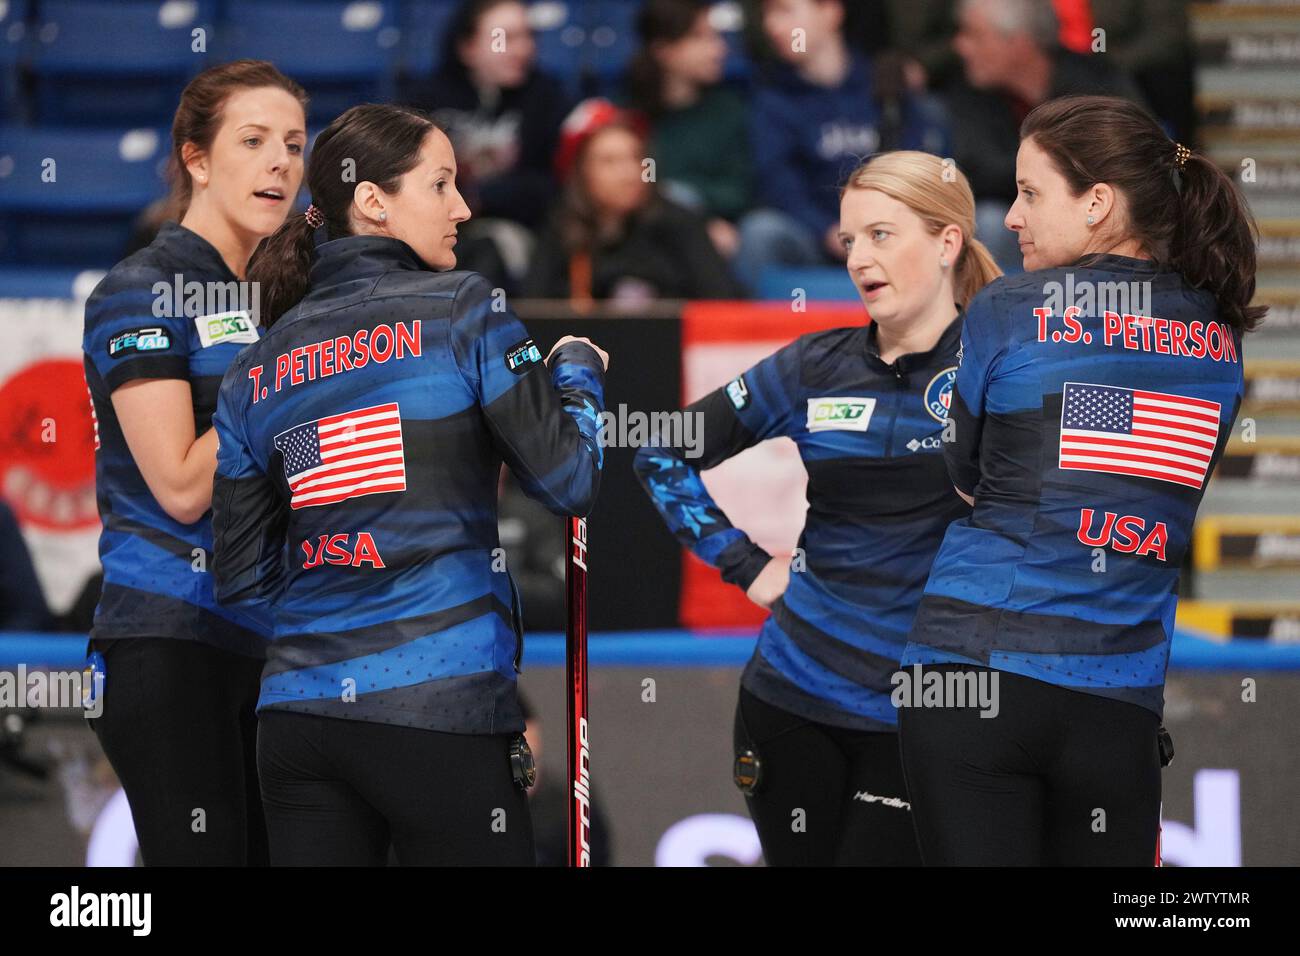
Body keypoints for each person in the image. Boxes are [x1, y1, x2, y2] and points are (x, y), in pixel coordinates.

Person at [211, 103, 608, 866]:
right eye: (442, 184)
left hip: (297, 723)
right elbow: (570, 478)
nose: (462, 208)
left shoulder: (252, 369)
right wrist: (577, 374)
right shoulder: (463, 307)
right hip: (440, 707)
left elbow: (239, 581)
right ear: (373, 200)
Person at [899, 95, 1264, 866]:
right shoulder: (1220, 338)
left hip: (969, 676)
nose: (1015, 218)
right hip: (1117, 702)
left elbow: (965, 475)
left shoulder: (1006, 306)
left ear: (1098, 202)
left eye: (1032, 193)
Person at [635, 151, 1000, 865]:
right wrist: (744, 566)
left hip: (925, 714)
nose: (860, 257)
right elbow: (658, 450)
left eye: (882, 235)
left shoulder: (1002, 367)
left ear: (947, 241)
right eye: (849, 240)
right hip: (788, 699)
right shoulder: (814, 366)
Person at [80, 59, 307, 866]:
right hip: (171, 638)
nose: (280, 161)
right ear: (197, 159)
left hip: (277, 646)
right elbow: (179, 483)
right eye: (252, 141)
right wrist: (288, 372)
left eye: (293, 143)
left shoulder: (280, 303)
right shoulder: (141, 290)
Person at [737, 0, 951, 293]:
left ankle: (962, 330)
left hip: (895, 236)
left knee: (976, 224)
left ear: (831, 12)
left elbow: (920, 164)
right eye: (767, 14)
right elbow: (778, 182)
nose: (771, 26)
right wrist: (830, 232)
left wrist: (883, 230)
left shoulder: (883, 81)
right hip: (817, 241)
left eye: (784, 11)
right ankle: (755, 335)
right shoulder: (773, 98)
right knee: (761, 232)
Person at [943, 0, 1146, 271]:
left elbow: (1137, 159)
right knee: (989, 221)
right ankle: (1004, 307)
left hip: (1096, 212)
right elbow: (976, 171)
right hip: (1016, 221)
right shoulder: (969, 92)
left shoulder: (1098, 82)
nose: (961, 46)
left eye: (974, 35)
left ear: (1019, 42)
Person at [401, 0, 572, 286]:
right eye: (507, 38)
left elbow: (553, 185)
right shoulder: (425, 98)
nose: (524, 49)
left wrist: (483, 197)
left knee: (489, 252)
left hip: (517, 230)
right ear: (467, 48)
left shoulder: (547, 97)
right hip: (432, 224)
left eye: (528, 36)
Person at [523, 98, 744, 303]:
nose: (628, 173)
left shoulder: (678, 224)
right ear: (581, 173)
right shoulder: (560, 230)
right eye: (609, 162)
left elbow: (721, 307)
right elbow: (535, 312)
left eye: (635, 158)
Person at [624, 0, 754, 261]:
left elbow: (740, 191)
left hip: (721, 231)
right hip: (640, 231)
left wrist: (699, 215)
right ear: (664, 50)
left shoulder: (729, 109)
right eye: (700, 38)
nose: (719, 49)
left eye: (716, 36)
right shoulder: (626, 114)